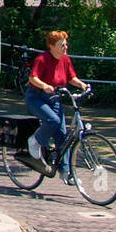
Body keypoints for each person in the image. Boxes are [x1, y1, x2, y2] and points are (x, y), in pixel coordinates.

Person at [20, 29, 90, 177]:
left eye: (66, 44)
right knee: (53, 120)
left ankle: (65, 171)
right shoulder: (42, 59)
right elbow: (33, 78)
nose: (65, 47)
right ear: (51, 46)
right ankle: (35, 141)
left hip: (54, 98)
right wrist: (44, 85)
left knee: (62, 135)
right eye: (62, 45)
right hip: (37, 97)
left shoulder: (65, 60)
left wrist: (82, 85)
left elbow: (71, 78)